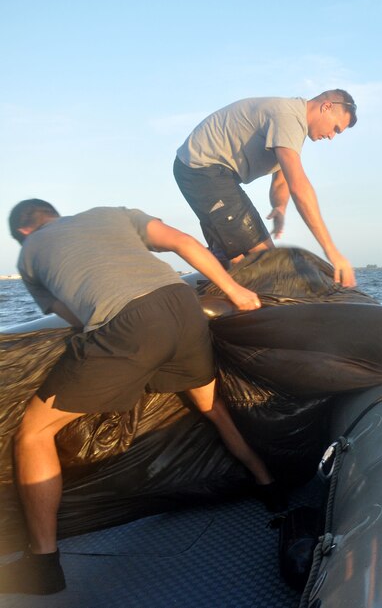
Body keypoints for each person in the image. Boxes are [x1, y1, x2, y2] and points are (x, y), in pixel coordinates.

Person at [1, 199, 284, 595]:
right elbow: (183, 242)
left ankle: (43, 565)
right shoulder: (109, 213)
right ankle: (269, 487)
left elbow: (73, 317)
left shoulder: (29, 254)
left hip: (127, 325)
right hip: (182, 307)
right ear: (55, 215)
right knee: (212, 408)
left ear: (24, 231)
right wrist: (235, 291)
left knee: (33, 433)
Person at [173, 90, 358, 287]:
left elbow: (282, 181)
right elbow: (299, 187)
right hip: (202, 169)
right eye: (336, 129)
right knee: (267, 261)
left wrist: (280, 206)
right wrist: (332, 251)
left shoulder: (293, 125)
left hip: (212, 173)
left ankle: (221, 265)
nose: (331, 136)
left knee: (242, 261)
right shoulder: (288, 117)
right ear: (327, 106)